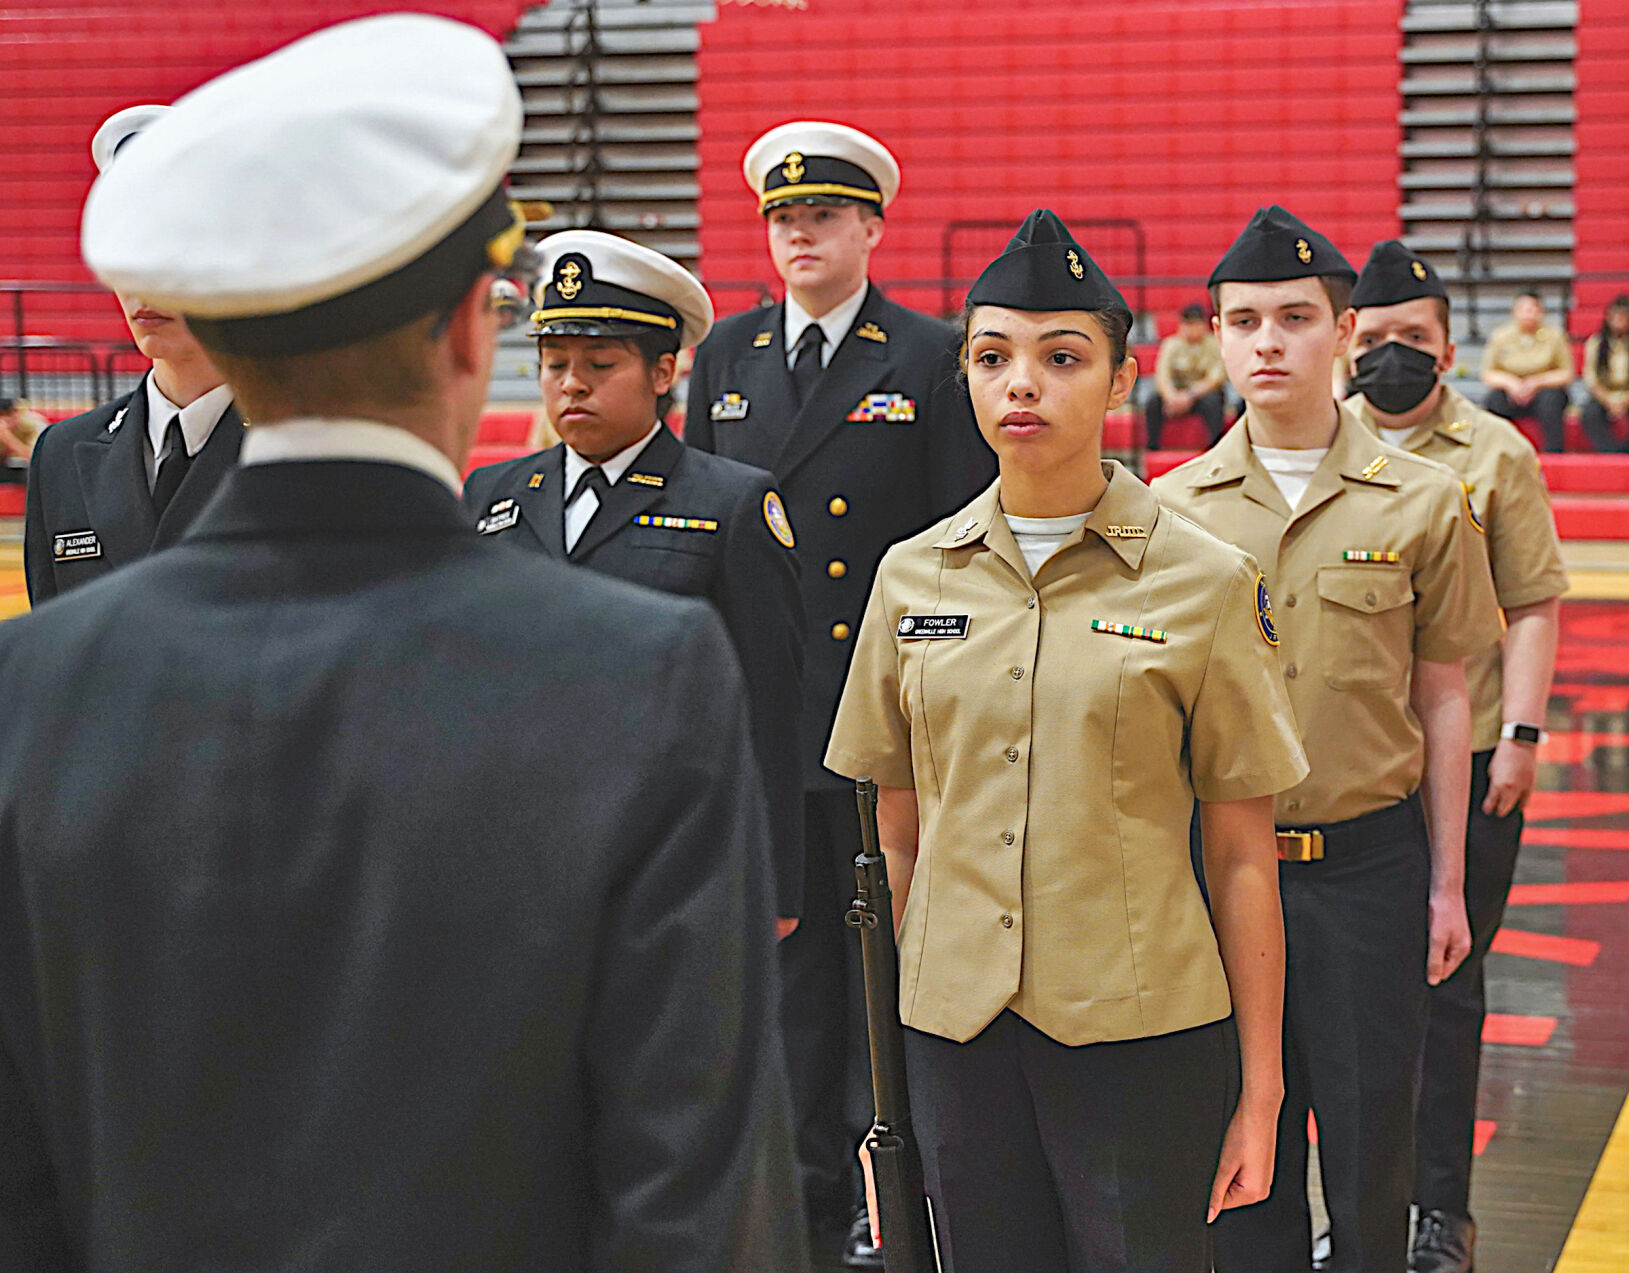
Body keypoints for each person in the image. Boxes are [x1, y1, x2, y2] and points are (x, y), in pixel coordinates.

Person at [0, 16, 804, 1273]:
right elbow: (696, 1187)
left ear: (220, 331)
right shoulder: (642, 680)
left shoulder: (35, 686)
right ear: (474, 333)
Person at [824, 209, 1307, 1272]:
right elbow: (895, 837)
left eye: (1061, 357)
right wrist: (885, 1085)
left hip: (1141, 1038)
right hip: (955, 1040)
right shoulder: (911, 576)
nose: (1022, 384)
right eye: (992, 357)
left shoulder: (1206, 581)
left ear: (1122, 378)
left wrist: (1262, 1090)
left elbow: (1241, 853)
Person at [1151, 206, 1503, 1273]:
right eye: (1243, 320)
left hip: (1366, 869)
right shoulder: (1168, 512)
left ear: (1344, 332)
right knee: (1239, 1151)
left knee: (1369, 1148)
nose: (1267, 342)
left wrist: (1448, 883)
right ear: (1216, 335)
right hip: (1220, 871)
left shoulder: (1426, 502)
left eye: (1294, 318)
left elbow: (1445, 698)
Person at [684, 119, 995, 1265]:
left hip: (886, 714)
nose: (799, 234)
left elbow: (962, 540)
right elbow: (698, 520)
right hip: (765, 717)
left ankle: (895, 1191)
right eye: (782, 217)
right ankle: (805, 1192)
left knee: (891, 960)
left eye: (822, 215)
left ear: (871, 228)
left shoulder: (926, 354)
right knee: (788, 968)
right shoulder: (726, 354)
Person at [464, 229, 807, 931]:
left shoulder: (728, 501)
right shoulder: (491, 494)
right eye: (554, 363)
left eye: (599, 363)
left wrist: (773, 882)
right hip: (514, 839)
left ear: (662, 372)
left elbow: (770, 702)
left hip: (668, 848)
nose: (571, 383)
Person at [1345, 241, 1568, 1273]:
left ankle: (1441, 1212)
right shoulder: (1318, 443)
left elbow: (1532, 601)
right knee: (1345, 1006)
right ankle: (1360, 1214)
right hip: (1349, 767)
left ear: (1448, 348)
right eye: (1377, 337)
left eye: (1416, 338)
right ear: (1349, 339)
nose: (1393, 355)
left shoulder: (1494, 453)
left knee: (1447, 989)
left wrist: (1519, 736)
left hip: (1470, 757)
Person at [23, 102, 244, 604]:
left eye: (171, 252)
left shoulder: (308, 443)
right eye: (128, 251)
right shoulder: (61, 454)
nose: (143, 283)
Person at [1479, 292, 1575, 452]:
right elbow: (1488, 373)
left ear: (1541, 312)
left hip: (1544, 391)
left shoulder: (1555, 336)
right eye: (1523, 309)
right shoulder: (1501, 336)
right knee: (1494, 400)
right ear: (1514, 312)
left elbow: (1566, 373)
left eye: (1532, 309)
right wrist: (1511, 384)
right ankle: (1500, 452)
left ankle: (1554, 452)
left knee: (1552, 400)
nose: (1528, 314)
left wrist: (1536, 383)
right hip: (1512, 392)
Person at [1145, 301, 1227, 448]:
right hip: (1176, 394)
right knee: (1153, 401)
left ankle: (1215, 446)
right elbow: (1162, 375)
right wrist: (1171, 396)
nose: (1192, 329)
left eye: (1196, 324)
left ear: (1204, 325)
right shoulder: (1171, 344)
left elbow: (1216, 378)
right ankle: (1153, 446)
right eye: (1188, 324)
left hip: (1201, 394)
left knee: (1213, 401)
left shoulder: (1214, 345)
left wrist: (1190, 395)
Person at [1581, 294, 1629, 453]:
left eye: (1624, 316)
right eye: (1615, 316)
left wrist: (1624, 400)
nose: (1619, 320)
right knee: (1590, 413)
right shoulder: (1595, 342)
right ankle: (1609, 453)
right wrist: (1608, 400)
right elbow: (1590, 378)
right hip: (1604, 395)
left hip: (1627, 394)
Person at [0, 397, 47, 481]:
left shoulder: (33, 424)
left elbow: (37, 459)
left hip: (26, 469)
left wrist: (8, 438)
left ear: (16, 413)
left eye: (8, 415)